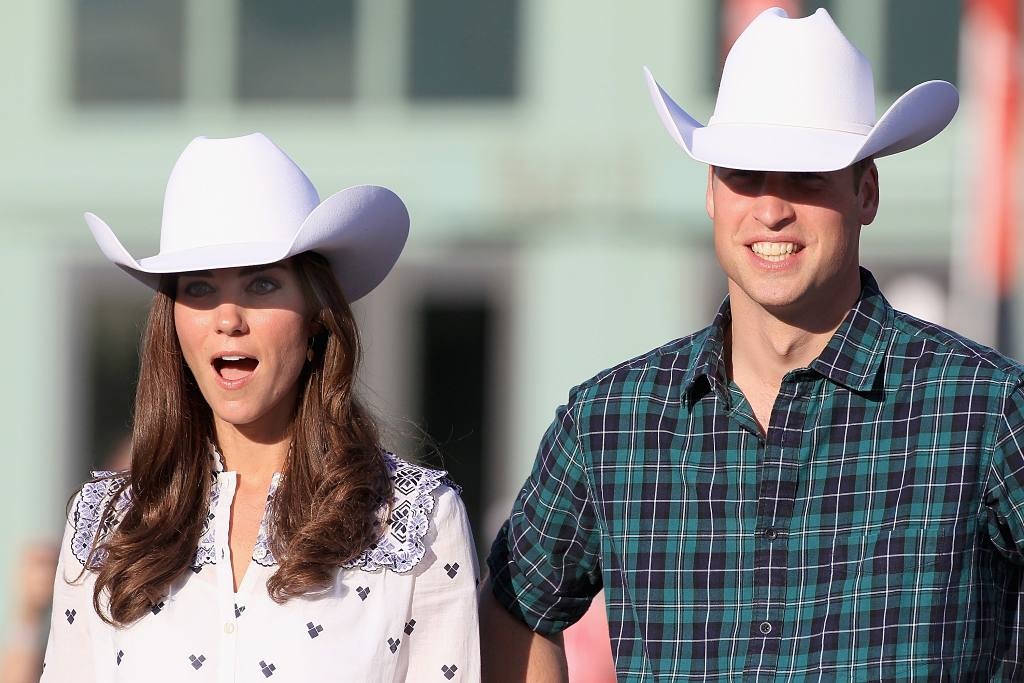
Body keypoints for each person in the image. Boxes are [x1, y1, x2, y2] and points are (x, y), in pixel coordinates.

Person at [480, 7, 1024, 681]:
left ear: (867, 192)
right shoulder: (608, 421)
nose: (771, 208)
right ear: (711, 190)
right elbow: (515, 607)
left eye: (806, 177)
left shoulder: (986, 407)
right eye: (744, 174)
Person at [42, 133, 479, 681]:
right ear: (172, 326)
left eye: (262, 284)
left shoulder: (415, 518)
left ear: (317, 316)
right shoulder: (108, 521)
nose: (229, 318)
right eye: (199, 289)